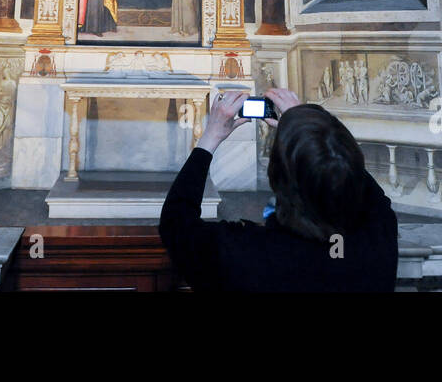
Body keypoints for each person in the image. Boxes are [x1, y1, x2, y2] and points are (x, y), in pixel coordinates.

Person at [160, 88, 398, 292]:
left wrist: (209, 138)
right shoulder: (373, 245)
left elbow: (176, 223)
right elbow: (367, 192)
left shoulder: (241, 254)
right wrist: (308, 125)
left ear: (275, 178)